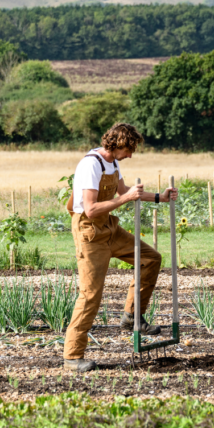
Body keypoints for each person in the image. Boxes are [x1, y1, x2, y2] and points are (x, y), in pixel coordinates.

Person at [63, 122, 179, 372]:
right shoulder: (90, 164)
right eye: (130, 148)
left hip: (108, 227)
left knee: (150, 258)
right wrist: (125, 198)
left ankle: (132, 316)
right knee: (90, 294)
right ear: (118, 144)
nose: (131, 154)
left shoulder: (111, 163)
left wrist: (160, 197)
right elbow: (91, 208)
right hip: (89, 231)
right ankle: (73, 356)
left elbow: (126, 191)